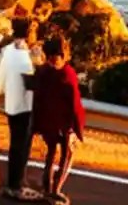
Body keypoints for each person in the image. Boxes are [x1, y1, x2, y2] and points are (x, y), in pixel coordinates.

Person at [32, 35, 86, 203]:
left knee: (51, 153)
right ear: (64, 53)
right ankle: (56, 189)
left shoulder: (42, 72)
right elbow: (75, 106)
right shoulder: (68, 75)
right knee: (67, 155)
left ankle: (46, 186)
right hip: (64, 127)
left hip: (47, 123)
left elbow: (36, 98)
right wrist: (78, 130)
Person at [0, 18, 40, 201]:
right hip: (25, 107)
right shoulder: (26, 57)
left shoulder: (8, 51)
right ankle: (16, 185)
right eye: (34, 30)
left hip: (11, 105)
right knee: (22, 147)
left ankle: (14, 183)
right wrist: (39, 63)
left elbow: (0, 82)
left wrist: (0, 92)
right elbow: (33, 83)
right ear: (29, 33)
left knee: (15, 145)